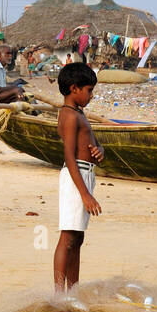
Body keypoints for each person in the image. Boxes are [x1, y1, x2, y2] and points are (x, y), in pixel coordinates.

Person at [53, 63, 104, 290]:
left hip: (86, 174)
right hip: (77, 177)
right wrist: (85, 195)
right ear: (74, 88)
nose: (91, 96)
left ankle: (73, 289)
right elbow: (69, 156)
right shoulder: (70, 116)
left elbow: (93, 141)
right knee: (68, 236)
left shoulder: (77, 112)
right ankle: (58, 292)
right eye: (89, 90)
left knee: (78, 237)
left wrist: (100, 150)